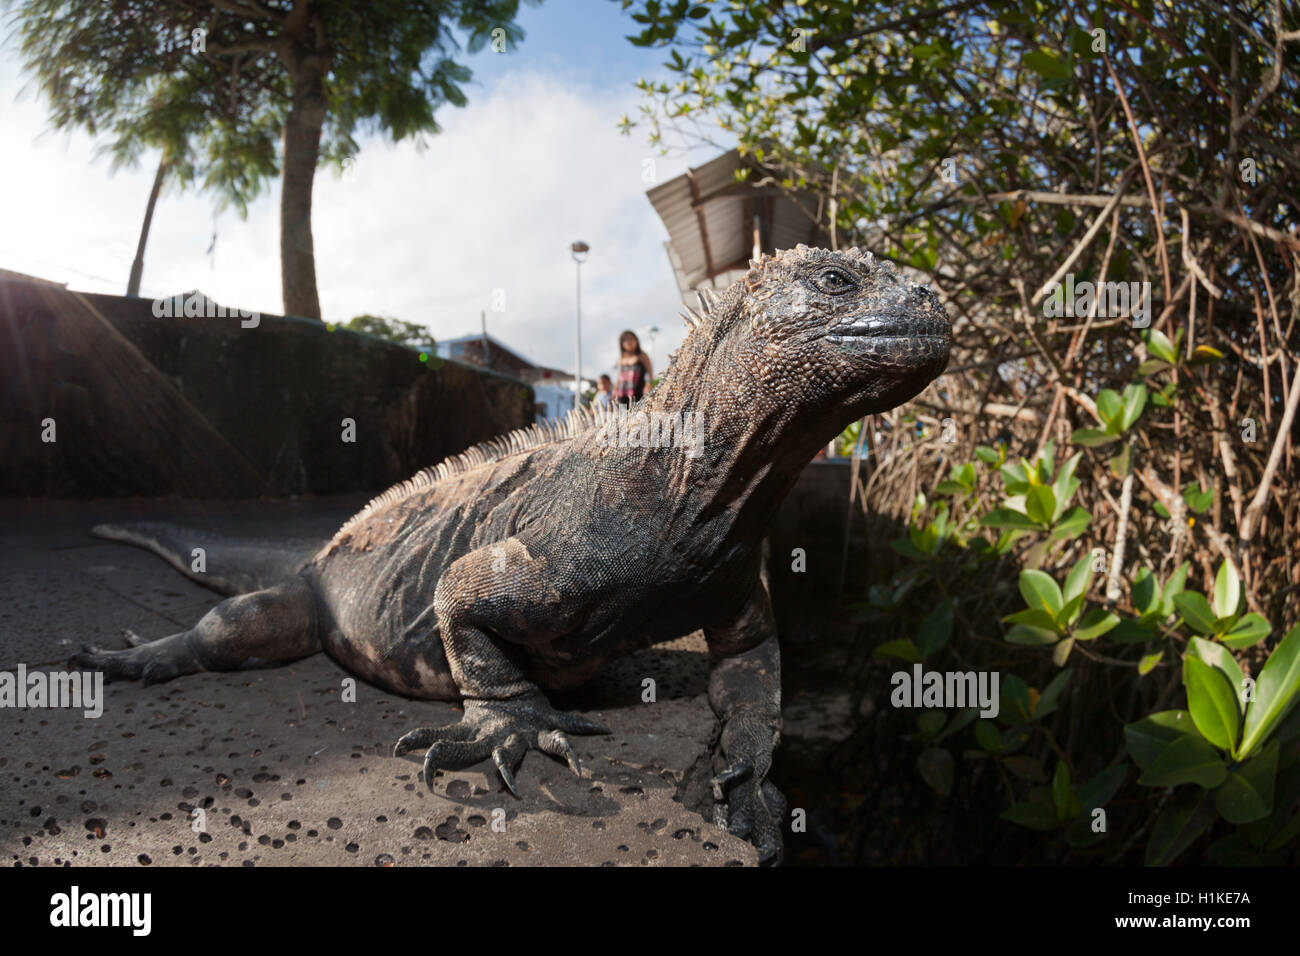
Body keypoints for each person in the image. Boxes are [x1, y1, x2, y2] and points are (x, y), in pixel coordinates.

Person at [615, 330, 653, 406]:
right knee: (623, 416)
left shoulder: (642, 355)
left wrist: (648, 385)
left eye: (631, 338)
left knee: (637, 415)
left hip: (638, 392)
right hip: (622, 393)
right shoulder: (622, 358)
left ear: (636, 340)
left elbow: (650, 373)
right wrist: (615, 389)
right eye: (625, 340)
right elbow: (619, 376)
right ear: (621, 344)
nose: (629, 342)